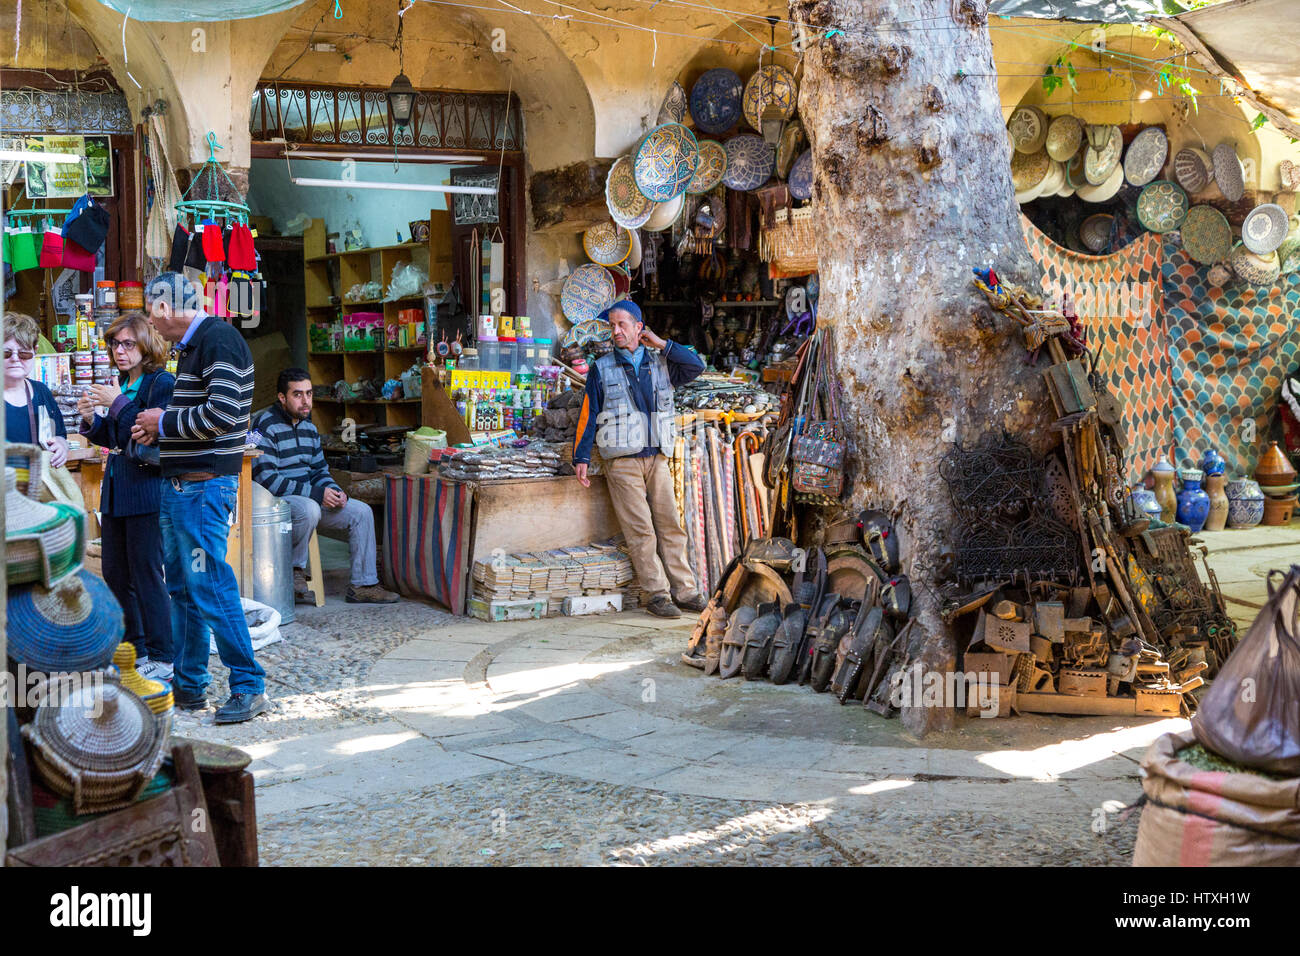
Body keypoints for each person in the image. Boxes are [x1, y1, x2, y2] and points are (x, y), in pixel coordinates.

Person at [130, 272, 267, 724]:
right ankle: (189, 686)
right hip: (182, 487)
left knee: (208, 585)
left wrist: (163, 422)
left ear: (165, 309)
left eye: (151, 315)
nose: (152, 324)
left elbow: (224, 415)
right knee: (182, 589)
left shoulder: (219, 339)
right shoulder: (194, 347)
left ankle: (248, 685)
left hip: (203, 486)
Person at [572, 301, 708, 618]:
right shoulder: (601, 367)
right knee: (642, 531)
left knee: (672, 526)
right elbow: (588, 413)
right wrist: (581, 455)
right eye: (612, 326)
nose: (616, 331)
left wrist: (662, 343)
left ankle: (685, 591)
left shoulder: (660, 362)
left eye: (622, 324)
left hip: (657, 456)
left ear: (638, 327)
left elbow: (696, 366)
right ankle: (658, 594)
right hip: (622, 461)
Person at [79, 311, 175, 680]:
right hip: (117, 487)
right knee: (115, 572)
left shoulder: (159, 383)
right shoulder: (123, 383)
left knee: (147, 573)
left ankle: (163, 656)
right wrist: (92, 422)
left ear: (146, 344)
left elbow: (146, 432)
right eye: (114, 344)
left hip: (147, 489)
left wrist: (117, 403)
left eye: (128, 344)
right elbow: (118, 439)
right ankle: (135, 649)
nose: (119, 351)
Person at [251, 368, 398, 604]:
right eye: (297, 395)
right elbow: (267, 480)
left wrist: (333, 491)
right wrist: (317, 494)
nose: (306, 400)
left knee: (361, 512)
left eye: (309, 394)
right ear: (282, 397)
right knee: (309, 508)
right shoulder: (263, 427)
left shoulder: (309, 428)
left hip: (311, 501)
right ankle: (294, 571)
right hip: (277, 505)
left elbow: (319, 471)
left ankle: (364, 584)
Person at [4, 311, 68, 470]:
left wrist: (61, 445)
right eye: (6, 353)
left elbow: (57, 434)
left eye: (24, 354)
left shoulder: (41, 393)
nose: (15, 359)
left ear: (35, 351)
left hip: (34, 487)